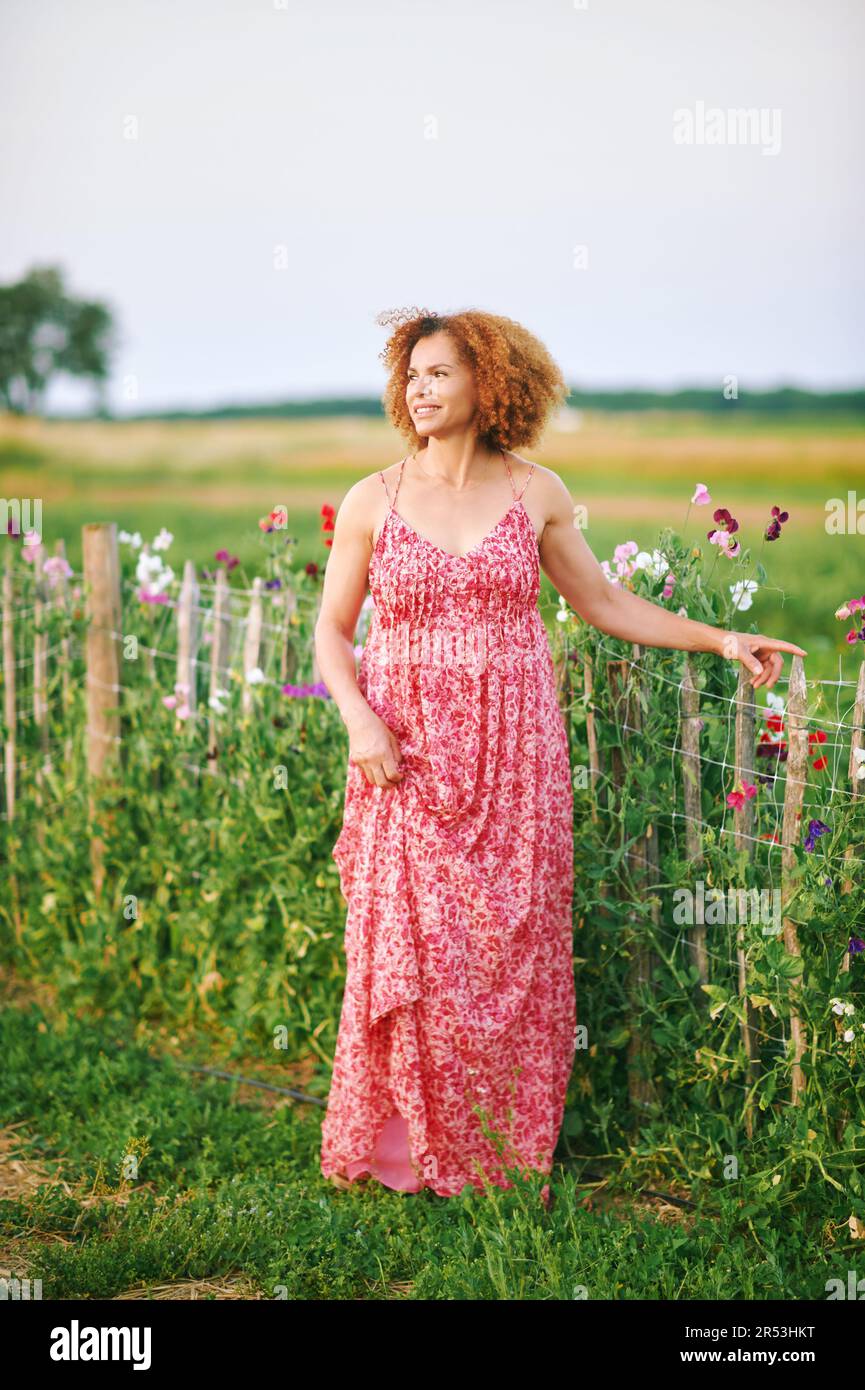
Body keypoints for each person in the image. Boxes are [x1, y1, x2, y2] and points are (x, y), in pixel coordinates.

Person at [314, 307, 806, 1205]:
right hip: (406, 754)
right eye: (410, 376)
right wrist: (358, 718)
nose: (418, 391)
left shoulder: (535, 491)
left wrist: (716, 638)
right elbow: (331, 633)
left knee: (508, 950)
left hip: (516, 760)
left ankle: (500, 1158)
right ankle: (410, 1156)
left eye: (437, 374)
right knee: (418, 951)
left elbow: (604, 601)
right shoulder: (370, 499)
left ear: (488, 383)